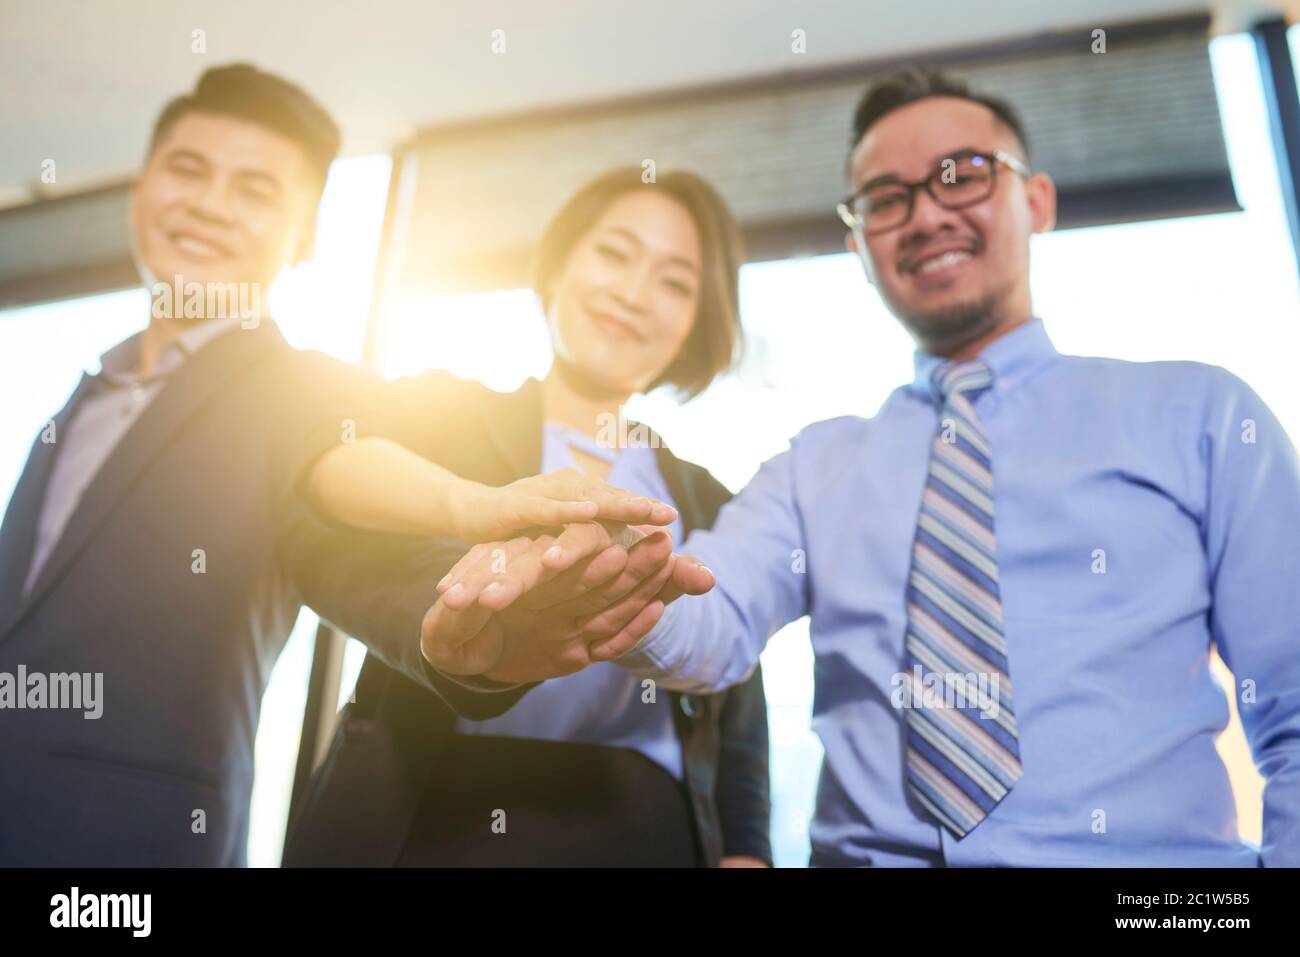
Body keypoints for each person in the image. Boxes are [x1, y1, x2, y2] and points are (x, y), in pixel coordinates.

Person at [439, 70, 1300, 867]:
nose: (926, 215)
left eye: (962, 174)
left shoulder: (1202, 415)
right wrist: (608, 580)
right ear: (858, 243)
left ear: (1035, 199)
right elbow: (713, 617)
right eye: (886, 199)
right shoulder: (815, 463)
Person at [0, 65, 686, 866]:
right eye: (189, 170)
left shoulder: (303, 391)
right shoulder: (80, 400)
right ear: (141, 188)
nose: (211, 204)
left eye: (255, 189)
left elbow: (355, 540)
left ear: (303, 241)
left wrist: (464, 625)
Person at [283, 167, 771, 867]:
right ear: (561, 261)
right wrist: (470, 505)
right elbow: (324, 464)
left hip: (641, 828)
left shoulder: (707, 499)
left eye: (675, 281)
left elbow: (737, 705)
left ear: (700, 318)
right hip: (426, 815)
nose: (634, 294)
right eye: (614, 252)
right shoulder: (444, 410)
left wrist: (747, 849)